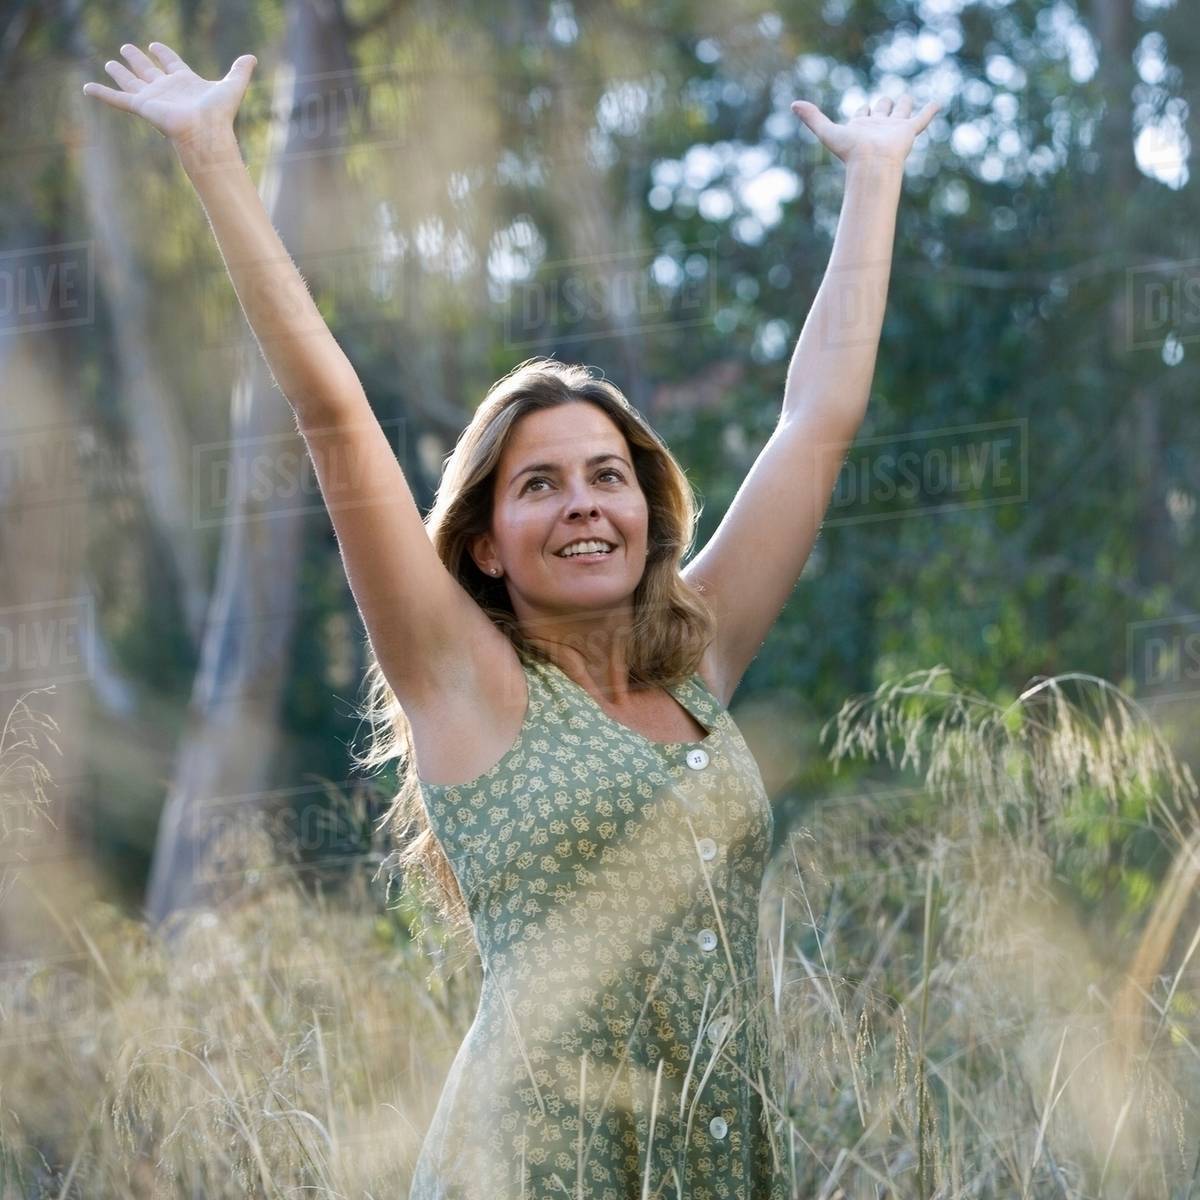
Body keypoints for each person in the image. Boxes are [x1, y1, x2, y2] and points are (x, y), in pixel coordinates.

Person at [84, 41, 939, 1199]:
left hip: (712, 1158)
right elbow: (332, 412)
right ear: (485, 541)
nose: (583, 502)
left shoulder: (698, 659)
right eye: (540, 484)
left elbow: (817, 418)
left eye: (607, 475)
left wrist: (874, 177)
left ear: (645, 508)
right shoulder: (464, 681)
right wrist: (210, 157)